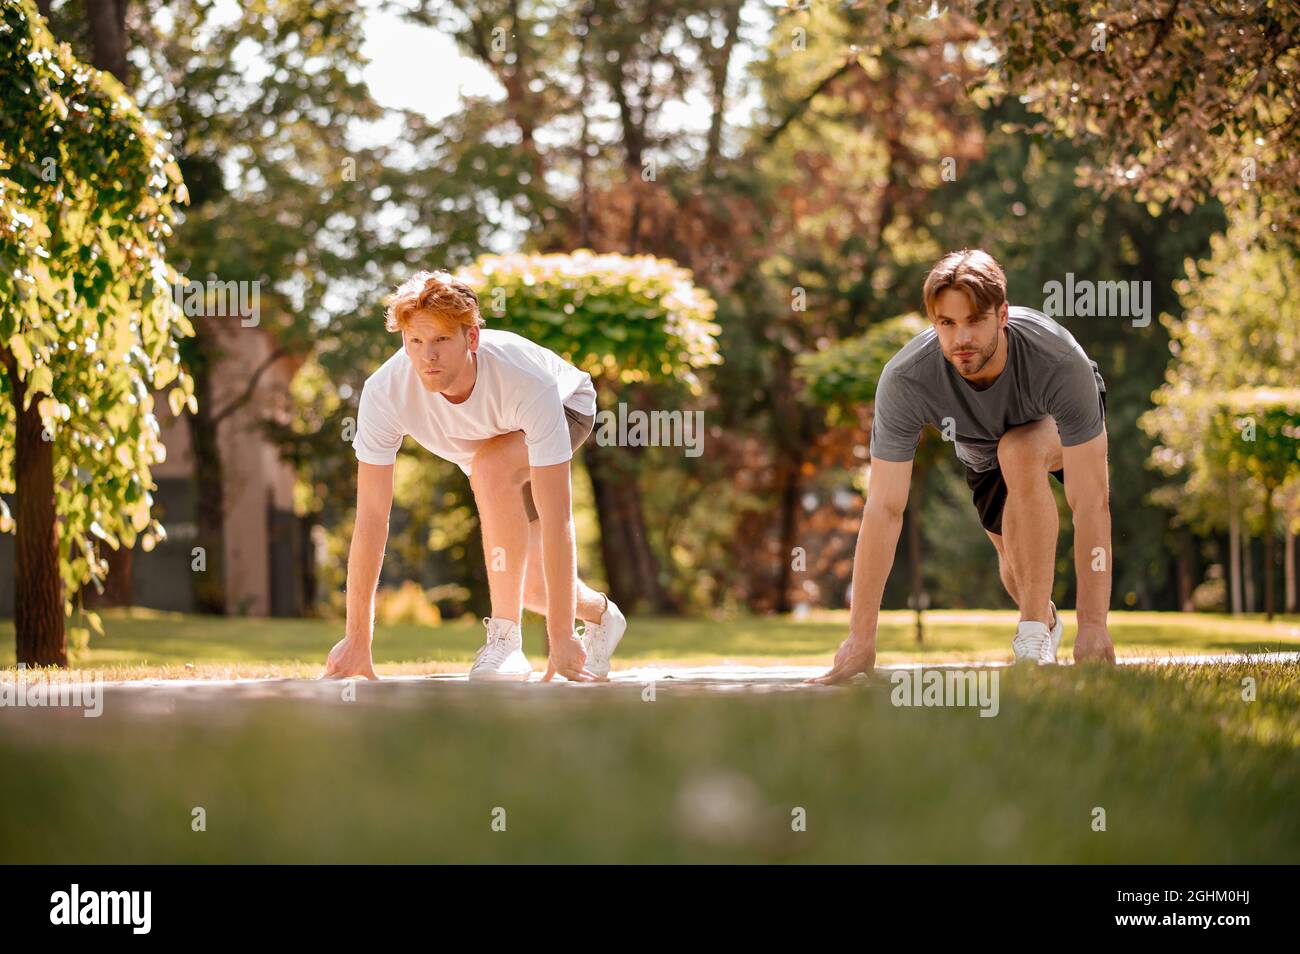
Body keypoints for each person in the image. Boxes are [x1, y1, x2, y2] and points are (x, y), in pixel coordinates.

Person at [814, 249, 1116, 685]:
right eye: (947, 324)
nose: (961, 340)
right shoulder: (906, 379)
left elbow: (1091, 502)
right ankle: (1044, 619)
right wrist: (861, 639)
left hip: (1052, 427)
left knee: (1018, 450)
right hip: (980, 448)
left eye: (975, 320)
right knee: (1014, 561)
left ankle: (1031, 636)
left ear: (1003, 314)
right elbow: (883, 508)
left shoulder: (1058, 360)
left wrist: (1093, 625)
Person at [323, 270, 626, 682]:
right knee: (529, 587)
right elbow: (372, 517)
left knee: (491, 467)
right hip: (487, 444)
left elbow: (559, 518)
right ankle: (602, 615)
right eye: (416, 341)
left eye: (442, 340)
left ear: (472, 339)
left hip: (567, 407)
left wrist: (559, 638)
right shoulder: (384, 393)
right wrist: (356, 638)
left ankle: (505, 642)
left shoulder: (525, 381)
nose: (428, 356)